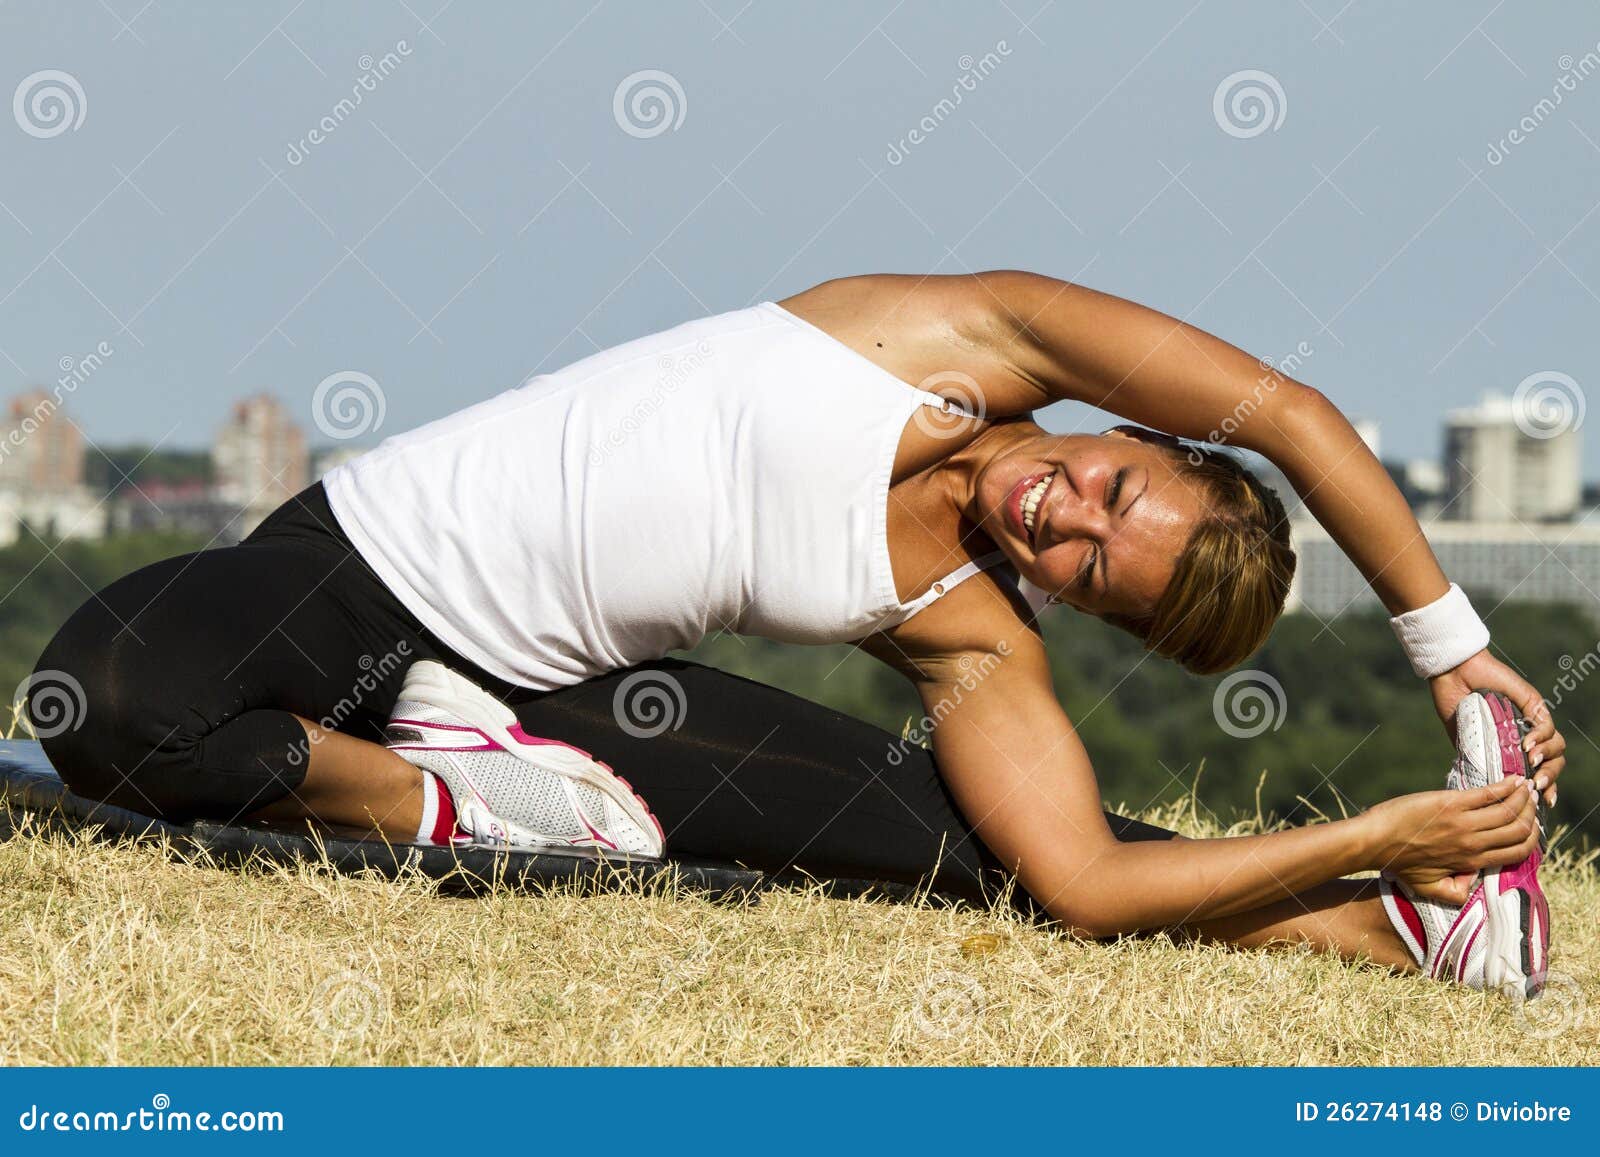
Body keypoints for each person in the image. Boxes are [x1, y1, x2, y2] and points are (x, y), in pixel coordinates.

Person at [31, 272, 1561, 996]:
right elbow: (1290, 413)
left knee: (973, 843)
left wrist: (1374, 836)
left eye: (1096, 569)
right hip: (351, 563)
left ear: (1084, 610)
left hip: (565, 704)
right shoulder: (970, 337)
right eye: (1106, 486)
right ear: (1133, 430)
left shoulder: (968, 631)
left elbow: (1089, 885)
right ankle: (444, 802)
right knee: (97, 704)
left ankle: (1401, 924)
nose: (1061, 518)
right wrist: (1452, 648)